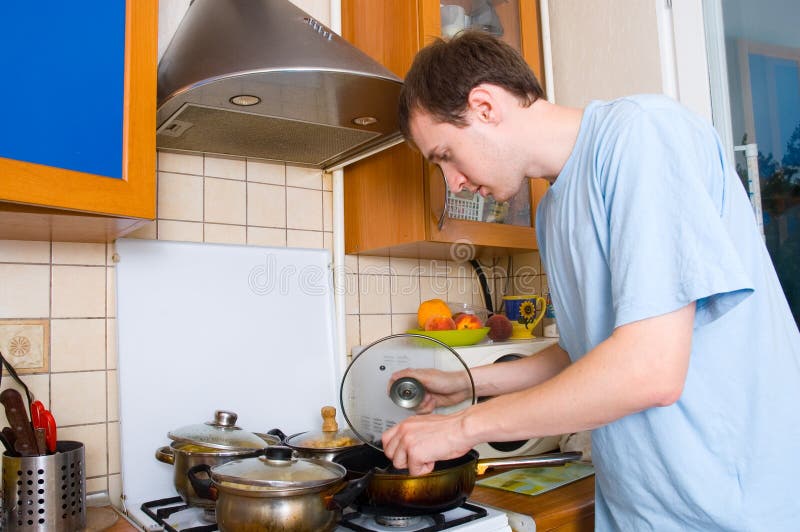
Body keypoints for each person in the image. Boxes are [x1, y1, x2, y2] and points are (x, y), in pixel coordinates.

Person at [381, 31, 800, 530]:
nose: (453, 183)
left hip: (730, 510)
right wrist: (465, 383)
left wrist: (462, 429)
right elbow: (582, 351)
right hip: (637, 509)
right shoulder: (554, 210)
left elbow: (649, 369)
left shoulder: (641, 136)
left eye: (444, 155)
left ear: (485, 106)